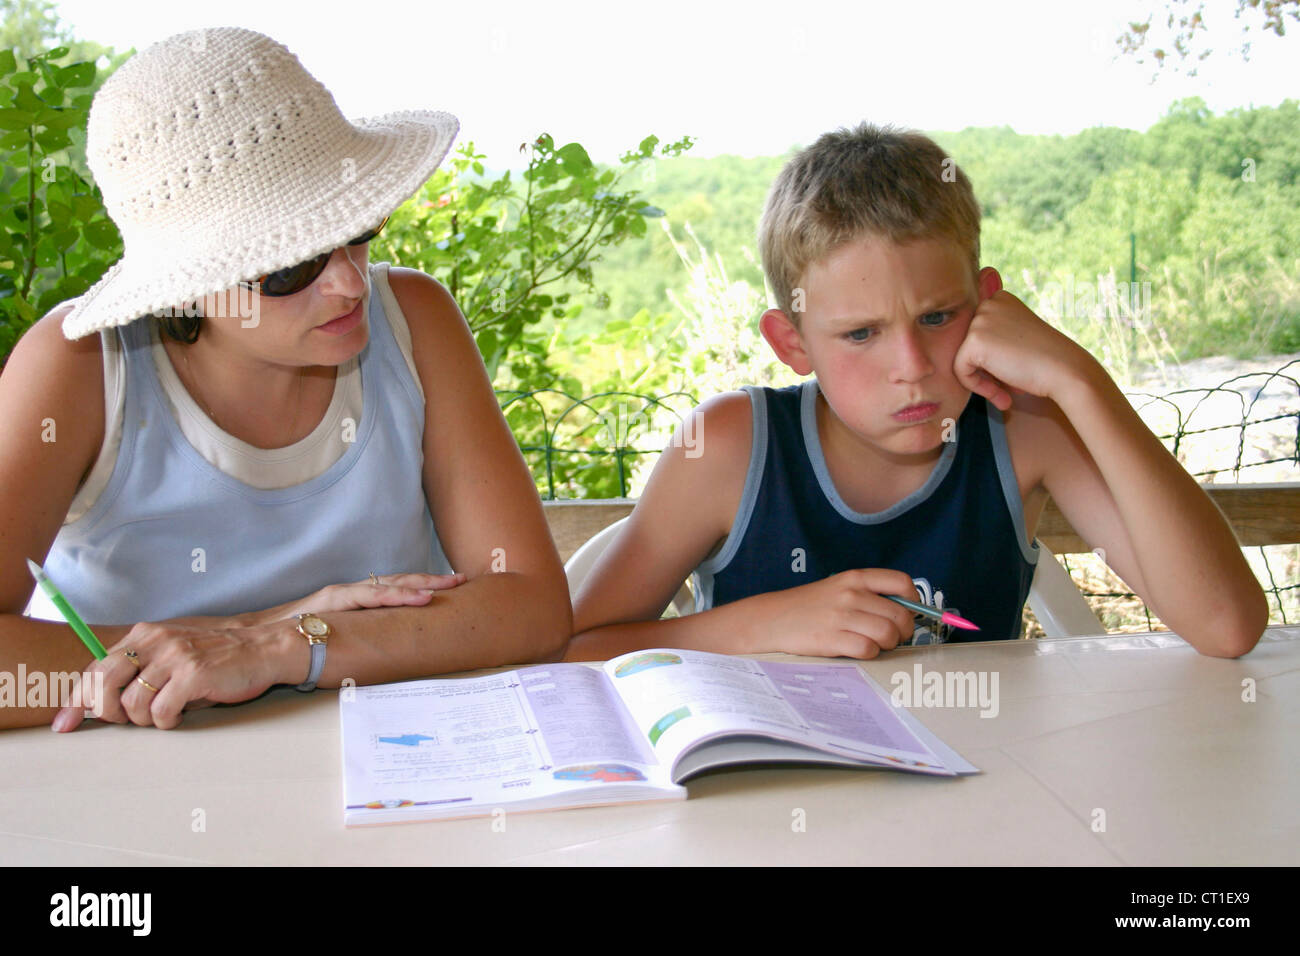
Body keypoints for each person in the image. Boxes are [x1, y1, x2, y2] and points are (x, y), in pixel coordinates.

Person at [0, 27, 570, 731]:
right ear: (182, 288)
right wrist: (254, 634)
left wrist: (280, 645)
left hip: (397, 773)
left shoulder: (415, 320)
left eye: (358, 228)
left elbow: (532, 605)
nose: (347, 281)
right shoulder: (81, 367)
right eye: (288, 266)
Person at [566, 123, 1267, 661]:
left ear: (988, 301)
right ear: (793, 343)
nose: (911, 365)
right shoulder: (728, 449)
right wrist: (759, 625)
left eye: (937, 317)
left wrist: (1079, 383)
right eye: (861, 334)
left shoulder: (1022, 427)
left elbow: (1226, 625)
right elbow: (571, 653)